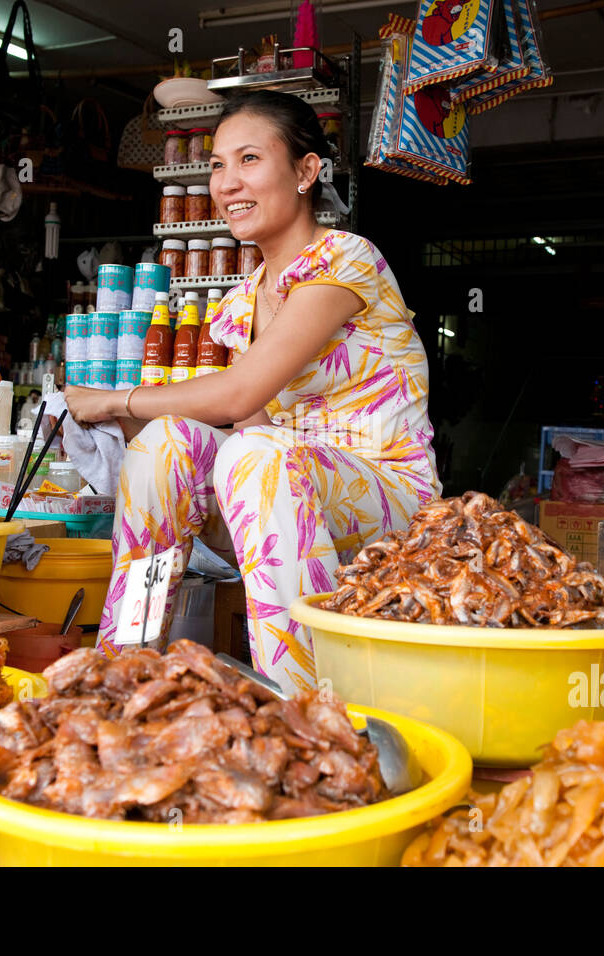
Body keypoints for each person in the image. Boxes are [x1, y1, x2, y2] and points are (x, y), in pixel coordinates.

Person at [64, 90, 440, 693]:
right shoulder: (244, 300)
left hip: (389, 492)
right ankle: (124, 670)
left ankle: (299, 704)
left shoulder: (346, 260)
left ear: (306, 171)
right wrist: (138, 438)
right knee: (166, 445)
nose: (227, 181)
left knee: (253, 452)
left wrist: (116, 399)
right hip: (285, 486)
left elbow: (241, 396)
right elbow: (250, 422)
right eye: (216, 164)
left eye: (248, 160)